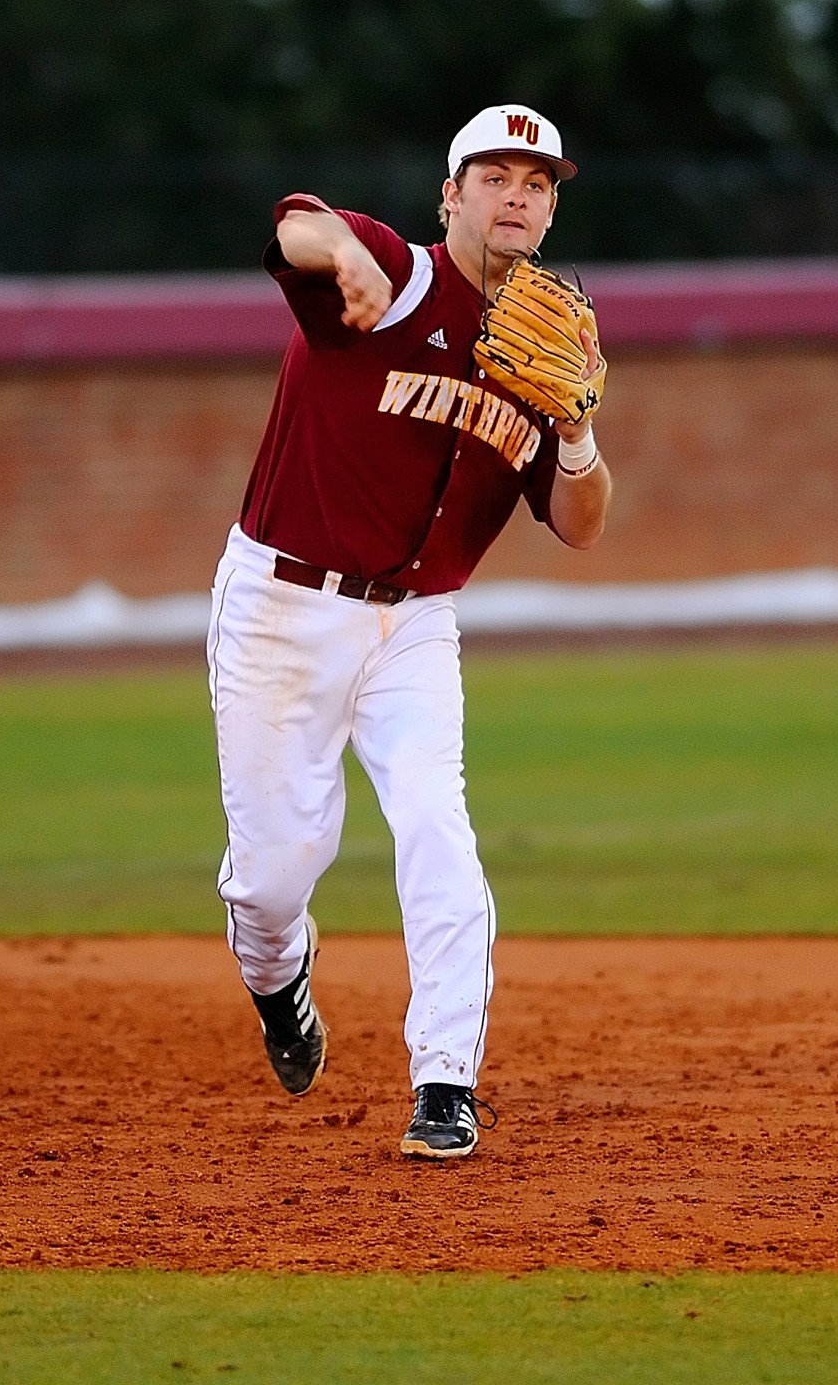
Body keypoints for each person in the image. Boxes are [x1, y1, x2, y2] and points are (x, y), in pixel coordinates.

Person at [206, 104, 612, 1159]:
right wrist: (341, 251)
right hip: (282, 607)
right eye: (495, 175)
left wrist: (573, 433)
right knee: (272, 877)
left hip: (418, 626)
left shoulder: (546, 347)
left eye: (538, 181)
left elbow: (580, 526)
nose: (518, 193)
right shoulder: (395, 271)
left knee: (438, 829)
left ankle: (446, 1082)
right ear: (452, 196)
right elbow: (298, 222)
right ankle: (276, 975)